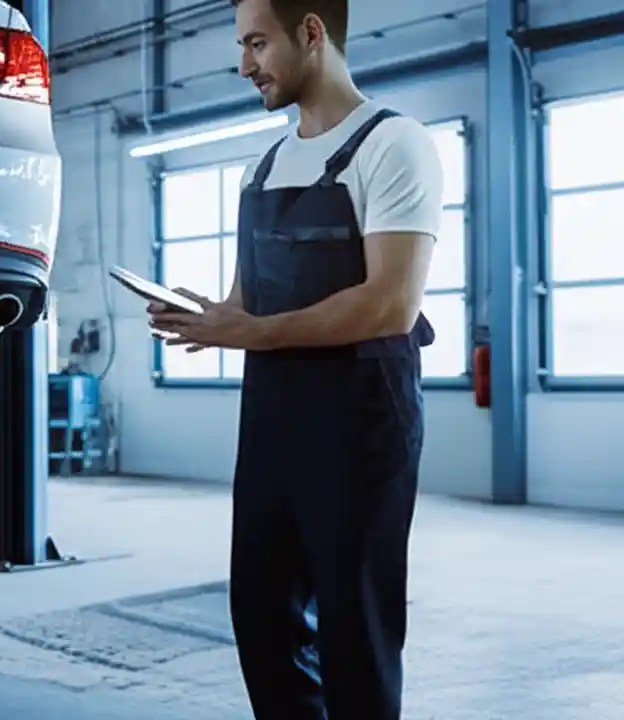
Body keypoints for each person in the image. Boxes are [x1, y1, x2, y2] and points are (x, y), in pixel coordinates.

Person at [147, 0, 443, 716]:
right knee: (261, 617)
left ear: (312, 33)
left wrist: (245, 332)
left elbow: (389, 305)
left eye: (257, 43)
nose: (244, 64)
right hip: (275, 422)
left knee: (354, 629)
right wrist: (208, 319)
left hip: (361, 423)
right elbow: (247, 305)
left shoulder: (393, 145)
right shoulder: (264, 167)